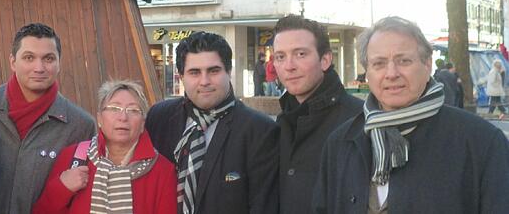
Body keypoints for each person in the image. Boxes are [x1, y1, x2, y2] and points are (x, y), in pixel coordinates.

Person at [313, 16, 509, 213]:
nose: (391, 73)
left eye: (404, 61)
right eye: (379, 63)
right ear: (368, 73)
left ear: (427, 64)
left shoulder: (482, 142)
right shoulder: (341, 143)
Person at [0, 23, 95, 214]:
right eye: (29, 58)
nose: (39, 67)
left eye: (48, 58)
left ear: (59, 62)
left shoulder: (80, 125)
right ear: (13, 61)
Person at [146, 31, 279, 214]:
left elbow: (263, 205)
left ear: (229, 72)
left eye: (213, 71)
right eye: (194, 72)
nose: (204, 81)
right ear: (181, 75)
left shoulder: (260, 130)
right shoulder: (159, 118)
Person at [32, 80, 177, 214]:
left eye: (133, 110)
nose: (123, 117)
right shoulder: (73, 157)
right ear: (99, 118)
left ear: (142, 123)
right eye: (114, 108)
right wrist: (62, 188)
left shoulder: (162, 170)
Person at [271, 15, 362, 214]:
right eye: (280, 57)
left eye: (301, 54)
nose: (289, 66)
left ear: (325, 60)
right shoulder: (280, 124)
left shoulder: (359, 121)